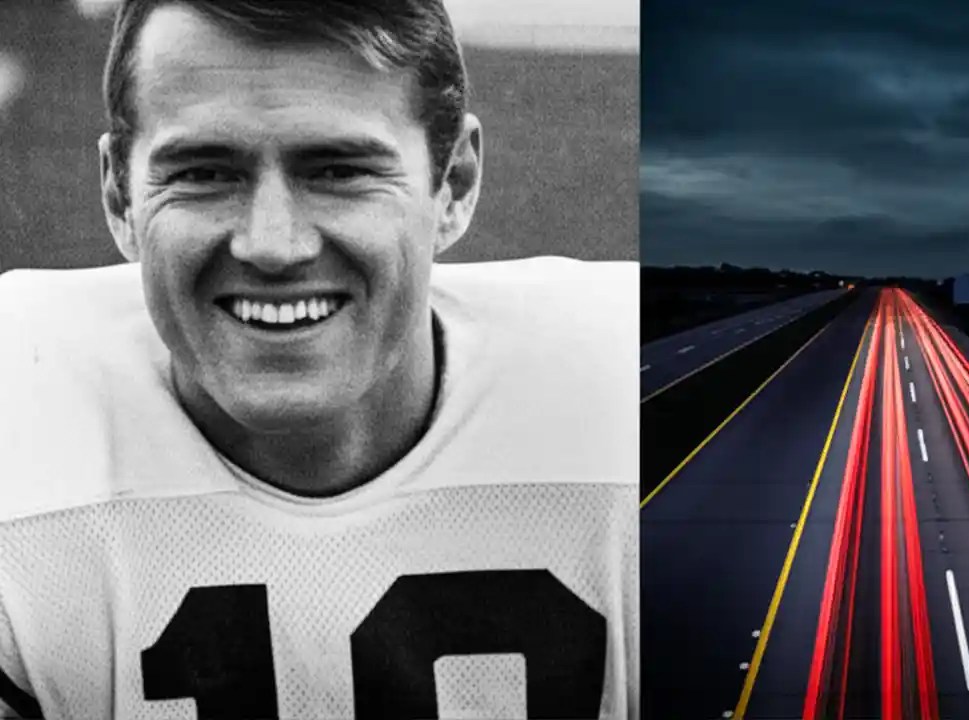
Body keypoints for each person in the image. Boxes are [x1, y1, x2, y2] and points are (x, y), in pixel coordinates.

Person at [0, 0, 637, 718]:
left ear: (452, 182)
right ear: (120, 192)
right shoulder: (17, 422)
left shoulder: (646, 401)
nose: (273, 243)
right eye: (206, 172)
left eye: (337, 170)